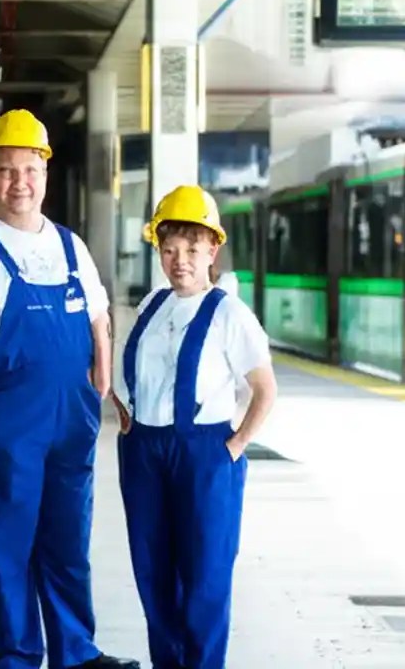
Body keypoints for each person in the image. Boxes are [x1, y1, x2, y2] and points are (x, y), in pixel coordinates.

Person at [0, 108, 138, 669]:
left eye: (30, 169)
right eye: (7, 170)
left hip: (68, 425)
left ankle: (76, 654)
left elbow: (99, 317)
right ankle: (14, 659)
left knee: (66, 545)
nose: (20, 182)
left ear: (45, 173)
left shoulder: (69, 246)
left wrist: (100, 383)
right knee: (4, 555)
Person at [110, 184, 278, 669]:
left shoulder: (231, 314)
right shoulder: (151, 306)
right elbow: (129, 372)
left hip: (204, 453)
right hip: (144, 450)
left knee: (204, 580)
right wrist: (127, 416)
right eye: (168, 249)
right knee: (154, 573)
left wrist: (235, 445)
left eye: (190, 249)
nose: (178, 260)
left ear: (212, 250)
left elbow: (264, 389)